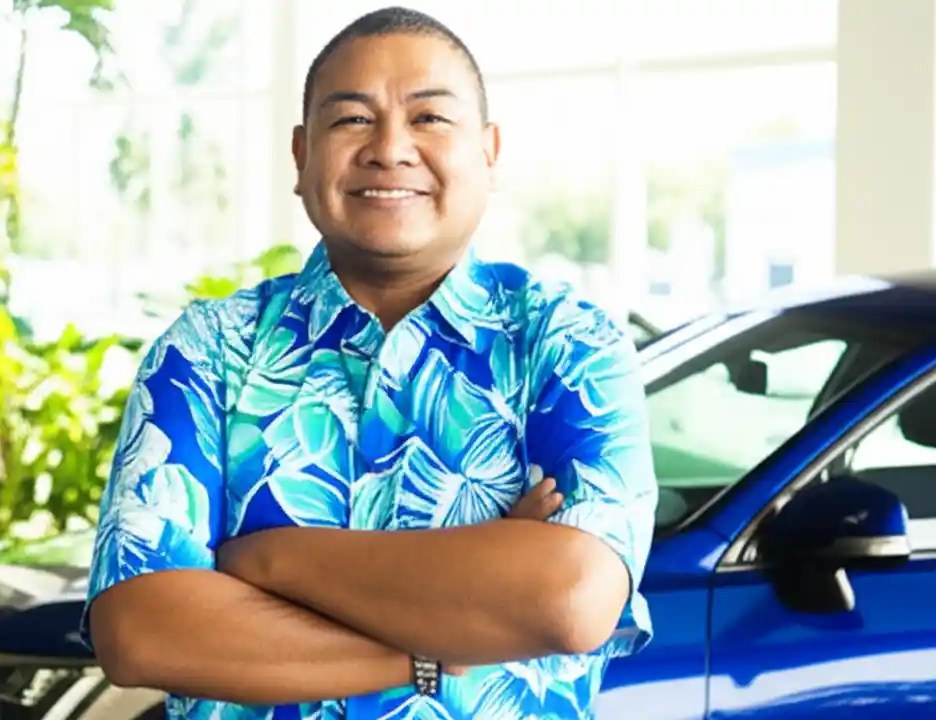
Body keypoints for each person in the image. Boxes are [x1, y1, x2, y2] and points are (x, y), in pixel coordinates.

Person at [83, 6, 657, 718]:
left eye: (429, 119)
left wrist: (266, 559)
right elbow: (142, 631)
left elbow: (571, 599)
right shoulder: (208, 350)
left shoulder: (565, 345)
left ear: (489, 152)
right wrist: (440, 646)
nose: (390, 149)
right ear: (301, 155)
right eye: (352, 119)